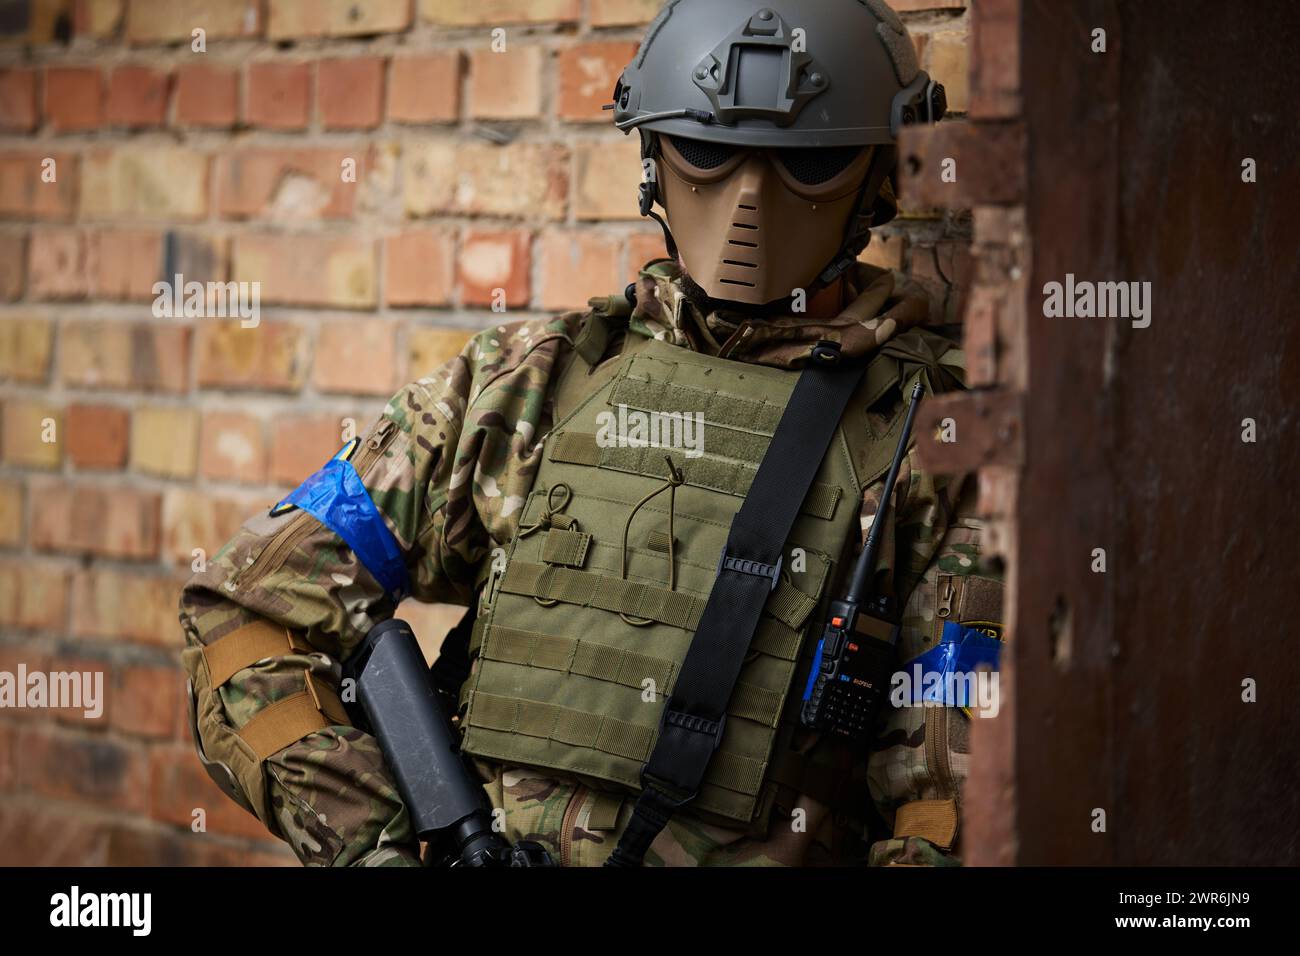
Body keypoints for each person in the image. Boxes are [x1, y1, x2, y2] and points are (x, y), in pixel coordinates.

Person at [179, 0, 1002, 867]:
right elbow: (249, 610)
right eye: (711, 149)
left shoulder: (935, 439)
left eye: (811, 162)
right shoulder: (528, 383)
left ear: (878, 177)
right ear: (653, 155)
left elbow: (949, 812)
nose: (751, 200)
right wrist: (377, 848)